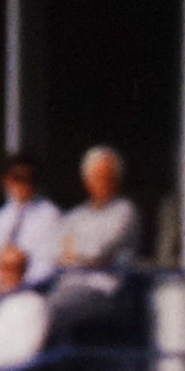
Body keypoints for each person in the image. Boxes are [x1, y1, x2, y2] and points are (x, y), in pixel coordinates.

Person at [46, 146, 142, 345]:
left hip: (104, 291)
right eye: (97, 177)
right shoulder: (76, 215)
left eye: (109, 176)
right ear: (86, 181)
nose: (103, 182)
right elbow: (53, 253)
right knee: (28, 308)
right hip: (67, 287)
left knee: (46, 312)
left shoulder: (125, 211)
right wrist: (78, 256)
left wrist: (75, 252)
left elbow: (95, 252)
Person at [0, 153, 62, 299]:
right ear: (6, 181)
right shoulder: (1, 217)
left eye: (29, 180)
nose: (22, 185)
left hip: (29, 293)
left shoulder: (49, 216)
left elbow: (46, 266)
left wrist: (17, 287)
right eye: (17, 179)